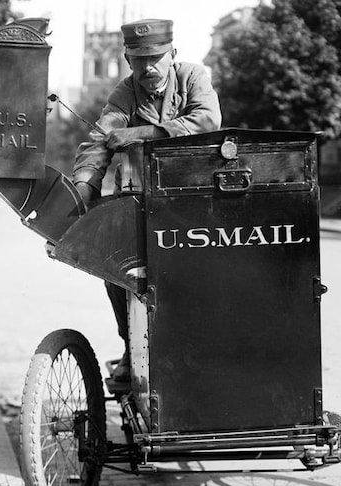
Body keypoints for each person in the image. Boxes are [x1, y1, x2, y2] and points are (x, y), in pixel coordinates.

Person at [71, 18, 222, 382]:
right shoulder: (125, 93)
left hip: (193, 201)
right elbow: (100, 141)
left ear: (173, 54)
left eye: (156, 57)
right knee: (116, 271)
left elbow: (207, 121)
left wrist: (143, 133)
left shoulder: (193, 76)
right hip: (141, 200)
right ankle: (132, 346)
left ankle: (210, 349)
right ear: (128, 60)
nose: (149, 67)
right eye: (140, 60)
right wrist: (83, 187)